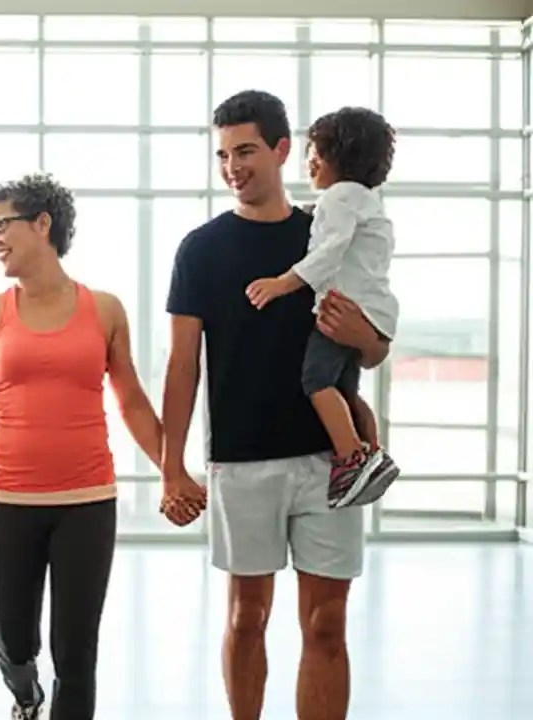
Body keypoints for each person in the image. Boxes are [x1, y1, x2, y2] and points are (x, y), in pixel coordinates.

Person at [161, 90, 392, 720]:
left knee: (325, 623)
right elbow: (182, 366)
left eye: (246, 151)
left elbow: (370, 350)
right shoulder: (200, 250)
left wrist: (365, 338)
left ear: (283, 150)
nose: (233, 166)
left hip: (329, 464)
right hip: (241, 461)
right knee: (247, 616)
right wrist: (170, 467)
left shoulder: (329, 231)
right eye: (223, 154)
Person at [0, 173, 173, 719]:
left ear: (42, 223)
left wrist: (173, 471)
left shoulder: (103, 309)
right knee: (14, 640)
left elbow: (131, 401)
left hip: (88, 500)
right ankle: (26, 696)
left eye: (1, 224)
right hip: (11, 500)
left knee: (76, 651)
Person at [245, 106, 401, 509]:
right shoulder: (363, 200)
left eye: (315, 151)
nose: (308, 160)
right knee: (346, 389)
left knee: (316, 381)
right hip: (374, 312)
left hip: (344, 312)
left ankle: (352, 458)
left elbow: (328, 251)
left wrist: (282, 283)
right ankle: (373, 452)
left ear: (337, 155)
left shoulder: (339, 197)